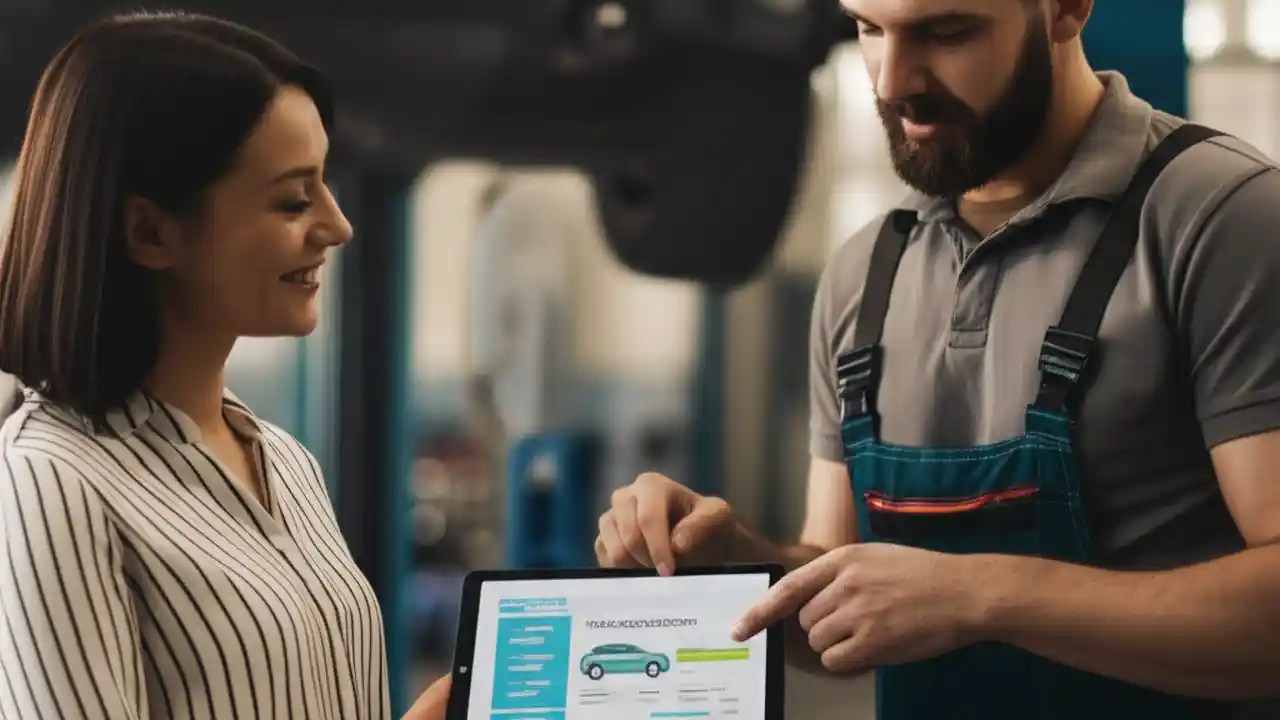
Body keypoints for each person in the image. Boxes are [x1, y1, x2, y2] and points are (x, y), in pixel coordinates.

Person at [597, 1, 1280, 718]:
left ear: (1067, 10)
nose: (893, 82)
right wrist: (726, 558)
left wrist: (981, 596)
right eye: (867, 28)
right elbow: (834, 616)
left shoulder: (1221, 220)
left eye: (946, 32)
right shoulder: (866, 274)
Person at [0, 12, 450, 720]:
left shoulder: (286, 464)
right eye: (295, 198)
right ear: (150, 231)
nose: (338, 225)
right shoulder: (49, 480)